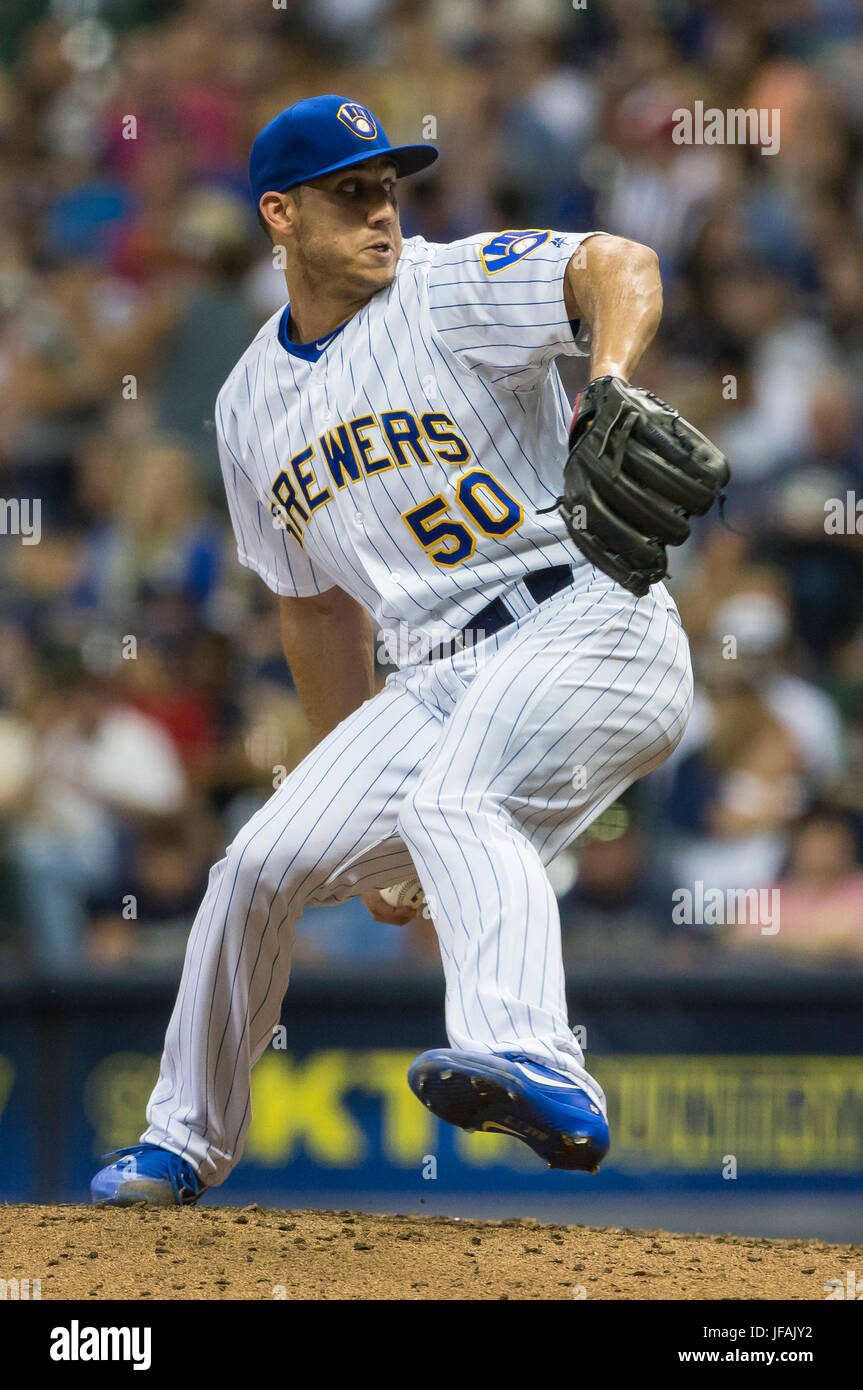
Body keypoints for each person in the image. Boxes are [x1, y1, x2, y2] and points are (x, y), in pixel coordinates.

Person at [92, 94, 693, 1206]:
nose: (381, 212)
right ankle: (182, 1142)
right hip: (436, 678)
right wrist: (348, 776)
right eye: (349, 193)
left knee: (452, 807)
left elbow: (619, 262)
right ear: (279, 213)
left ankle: (540, 1062)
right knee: (259, 866)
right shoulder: (243, 407)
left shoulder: (446, 286)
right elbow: (312, 608)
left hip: (589, 621)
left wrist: (605, 381)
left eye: (387, 189)